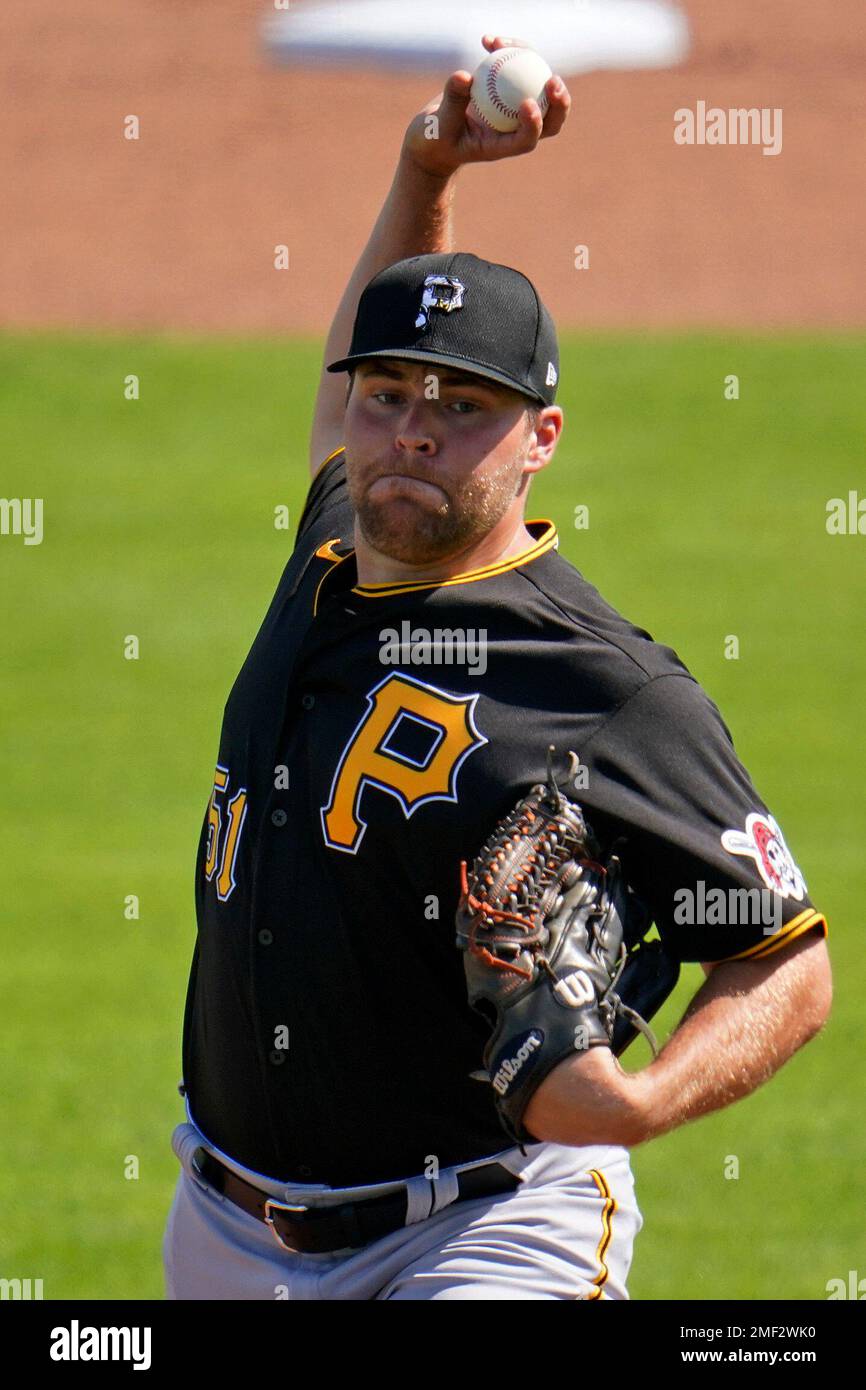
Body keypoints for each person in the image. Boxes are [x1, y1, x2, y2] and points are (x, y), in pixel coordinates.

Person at [162, 35, 831, 1301]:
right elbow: (364, 351)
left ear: (541, 439)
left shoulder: (608, 684)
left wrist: (634, 1103)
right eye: (386, 394)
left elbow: (786, 957)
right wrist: (424, 169)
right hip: (224, 1227)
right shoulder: (331, 543)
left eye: (462, 405)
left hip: (476, 1234)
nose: (411, 427)